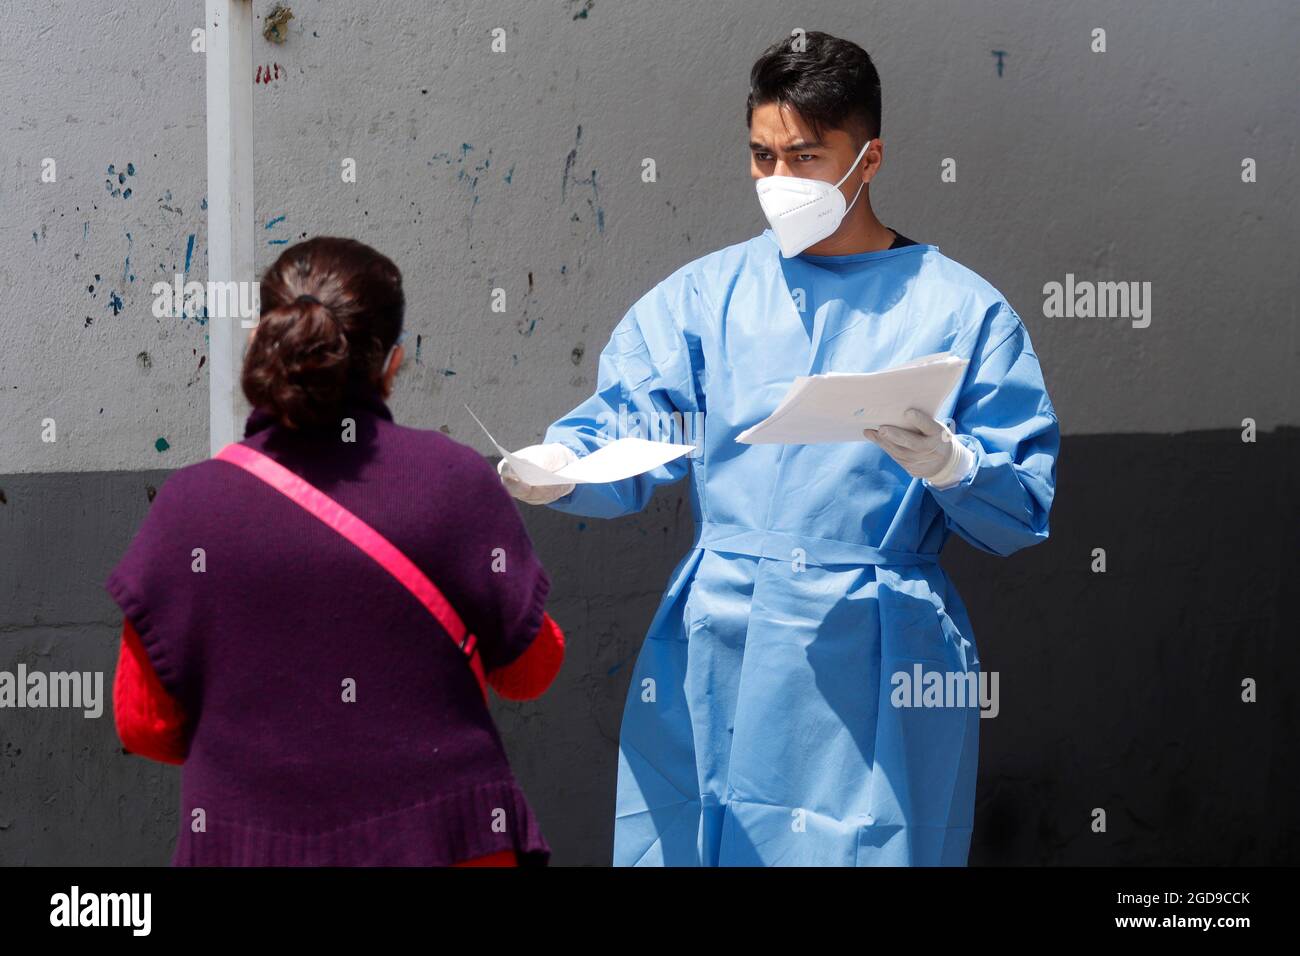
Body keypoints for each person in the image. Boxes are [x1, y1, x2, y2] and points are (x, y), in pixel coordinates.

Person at [499, 33, 1059, 866]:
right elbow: (630, 433)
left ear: (868, 159)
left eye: (805, 156)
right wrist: (562, 472)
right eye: (762, 156)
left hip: (879, 648)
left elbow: (1022, 510)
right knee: (698, 837)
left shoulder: (961, 310)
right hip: (720, 637)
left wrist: (954, 465)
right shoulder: (707, 296)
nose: (778, 181)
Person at [107, 237, 563, 866]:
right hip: (451, 845)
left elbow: (144, 724)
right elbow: (531, 670)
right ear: (392, 365)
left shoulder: (188, 507)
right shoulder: (453, 480)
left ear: (260, 345)